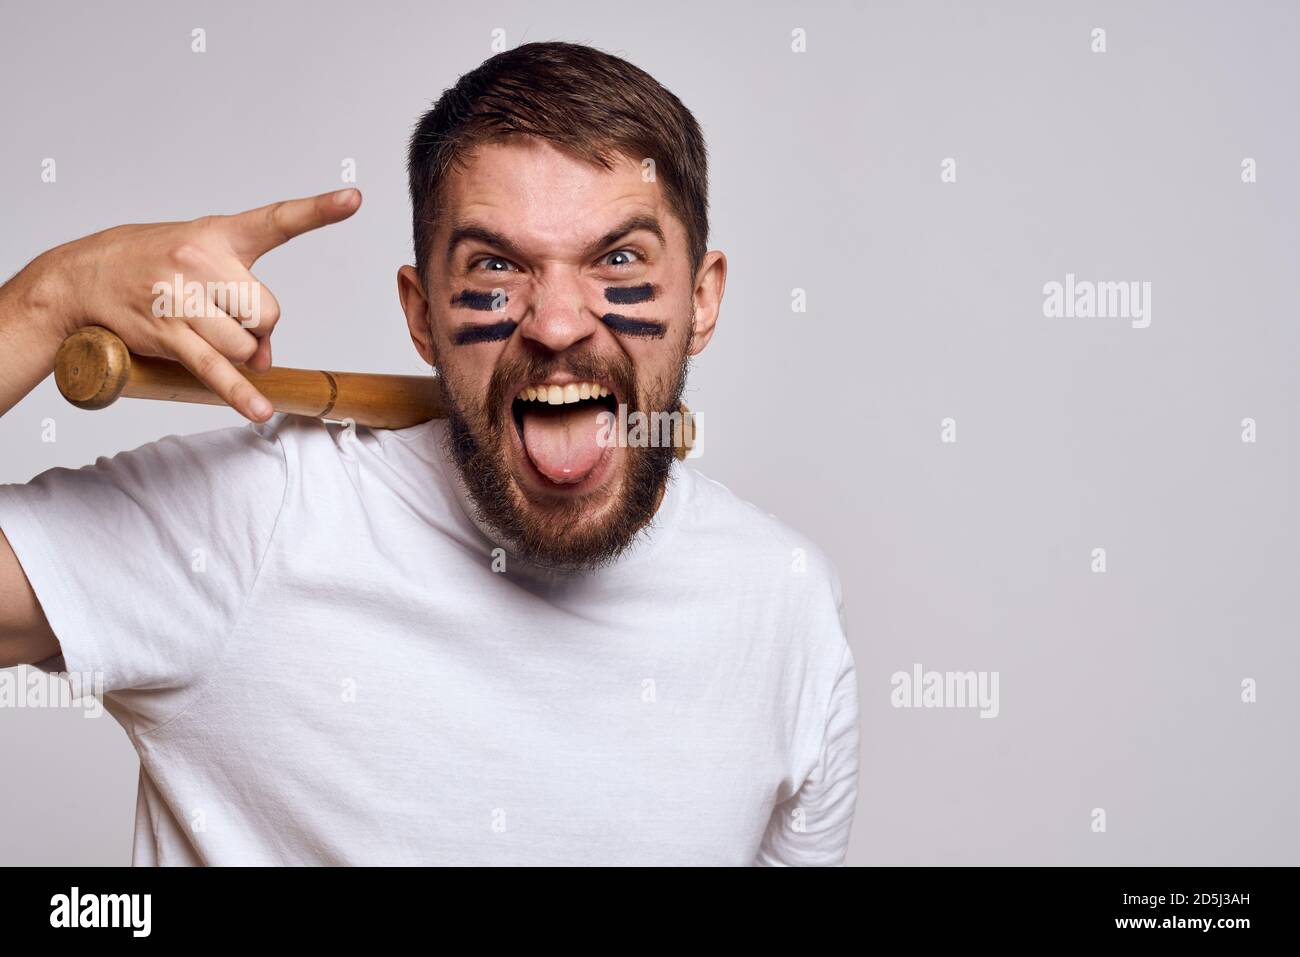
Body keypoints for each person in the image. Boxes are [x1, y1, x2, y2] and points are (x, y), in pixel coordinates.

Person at [0, 42, 858, 866]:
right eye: (495, 266)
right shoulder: (260, 522)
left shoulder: (785, 604)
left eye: (619, 259)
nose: (556, 324)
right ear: (421, 314)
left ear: (702, 299)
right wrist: (49, 298)